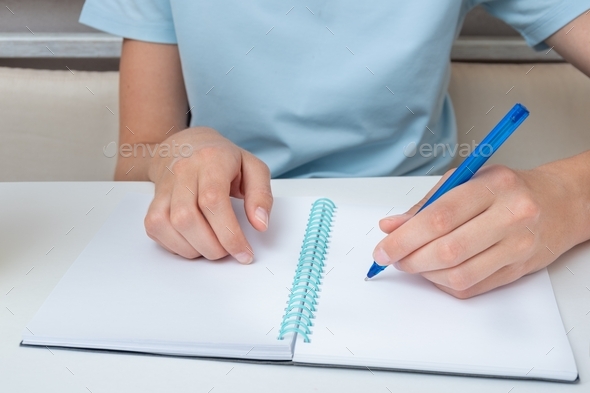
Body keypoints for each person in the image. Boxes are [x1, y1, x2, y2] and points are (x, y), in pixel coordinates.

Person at [80, 1, 590, 298]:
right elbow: (137, 155)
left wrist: (569, 196)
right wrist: (177, 148)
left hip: (434, 225)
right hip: (218, 239)